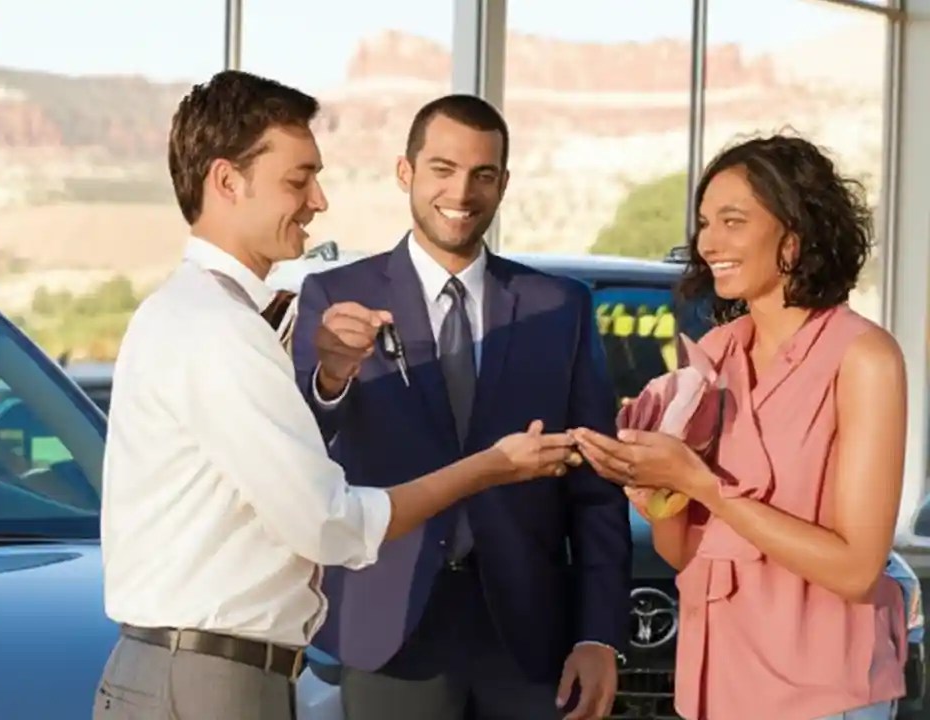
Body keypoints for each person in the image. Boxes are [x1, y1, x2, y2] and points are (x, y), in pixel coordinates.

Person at [94, 70, 581, 720]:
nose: (318, 200)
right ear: (227, 181)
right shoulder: (220, 330)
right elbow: (329, 523)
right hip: (209, 684)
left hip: (205, 674)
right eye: (298, 180)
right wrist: (489, 468)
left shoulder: (196, 314)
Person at [290, 94, 630, 720]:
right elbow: (300, 452)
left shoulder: (561, 307)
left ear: (503, 182)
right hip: (389, 633)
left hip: (530, 641)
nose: (463, 191)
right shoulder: (335, 294)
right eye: (443, 168)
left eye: (483, 174)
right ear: (405, 172)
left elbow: (597, 491)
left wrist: (598, 633)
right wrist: (333, 374)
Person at [573, 134, 909, 720]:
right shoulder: (714, 355)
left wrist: (701, 484)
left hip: (825, 698)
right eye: (704, 222)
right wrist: (653, 487)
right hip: (717, 689)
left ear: (795, 234)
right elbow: (687, 556)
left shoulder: (865, 359)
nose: (709, 243)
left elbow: (857, 570)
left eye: (733, 221)